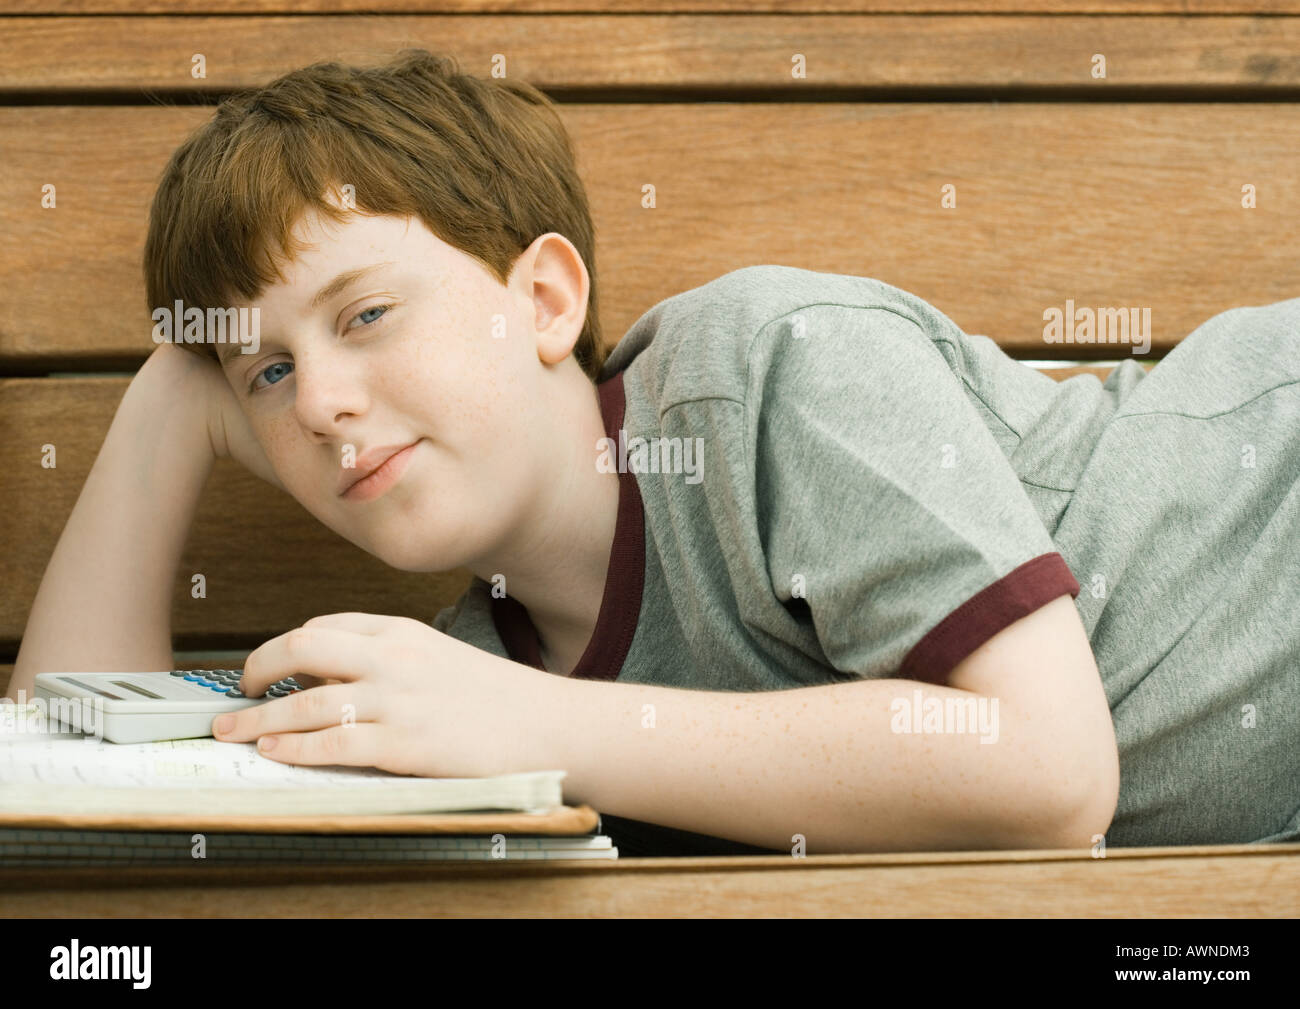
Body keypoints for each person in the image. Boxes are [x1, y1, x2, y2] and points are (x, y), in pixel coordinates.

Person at [9, 49, 1295, 855]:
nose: (321, 403)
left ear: (547, 303)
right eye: (267, 376)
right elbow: (70, 775)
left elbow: (1046, 768)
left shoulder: (766, 367)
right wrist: (164, 410)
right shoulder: (461, 677)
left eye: (366, 314)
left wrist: (534, 722)